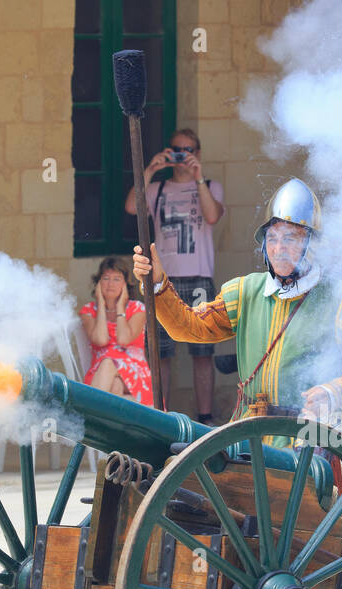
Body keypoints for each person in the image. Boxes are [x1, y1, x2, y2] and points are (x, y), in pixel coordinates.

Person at [131, 178, 342, 589]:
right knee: (236, 541)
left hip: (307, 438)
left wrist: (332, 390)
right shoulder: (244, 292)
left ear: (311, 243)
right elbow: (192, 328)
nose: (281, 248)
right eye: (274, 238)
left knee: (302, 543)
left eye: (293, 238)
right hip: (248, 435)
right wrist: (159, 286)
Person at [127, 128, 225, 423]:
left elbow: (212, 216)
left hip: (198, 276)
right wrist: (151, 169)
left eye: (189, 150)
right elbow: (132, 206)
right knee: (160, 352)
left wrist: (197, 177)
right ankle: (160, 415)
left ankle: (205, 417)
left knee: (202, 351)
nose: (183, 155)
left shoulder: (209, 185)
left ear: (198, 153)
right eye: (177, 149)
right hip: (161, 279)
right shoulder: (157, 189)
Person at [79, 256, 153, 404]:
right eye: (106, 278)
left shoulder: (137, 308)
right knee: (114, 385)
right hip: (102, 375)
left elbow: (124, 339)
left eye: (117, 279)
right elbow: (101, 340)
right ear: (98, 282)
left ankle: (88, 413)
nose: (110, 284)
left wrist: (119, 307)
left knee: (108, 363)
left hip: (134, 371)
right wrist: (101, 304)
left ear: (125, 284)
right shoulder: (88, 311)